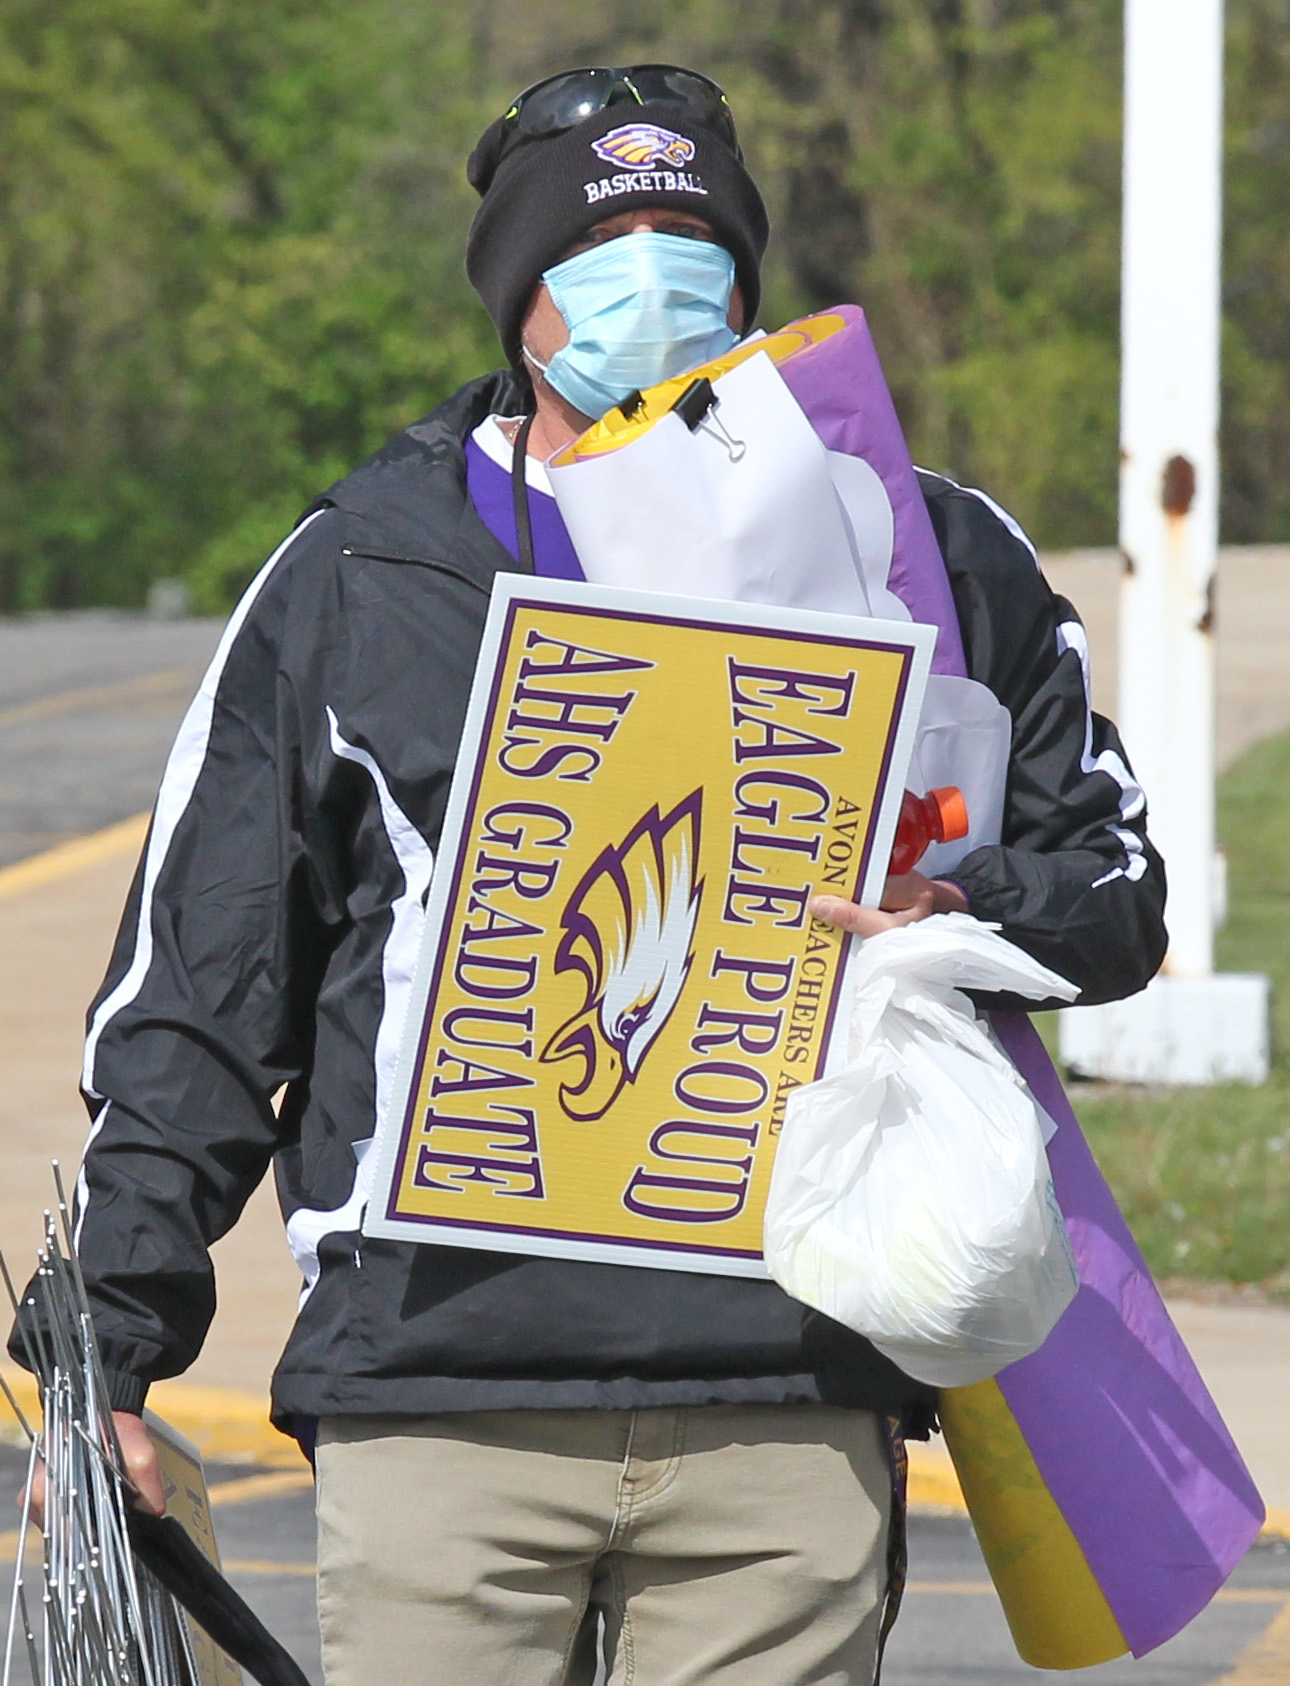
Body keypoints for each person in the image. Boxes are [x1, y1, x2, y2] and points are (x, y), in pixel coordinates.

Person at [14, 64, 1167, 1686]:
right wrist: (108, 1357)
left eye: (692, 249)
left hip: (788, 1388)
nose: (654, 289)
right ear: (518, 299)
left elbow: (1114, 893)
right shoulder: (366, 567)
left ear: (748, 287)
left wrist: (959, 906)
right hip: (440, 1389)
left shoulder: (917, 551)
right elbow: (203, 990)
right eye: (599, 252)